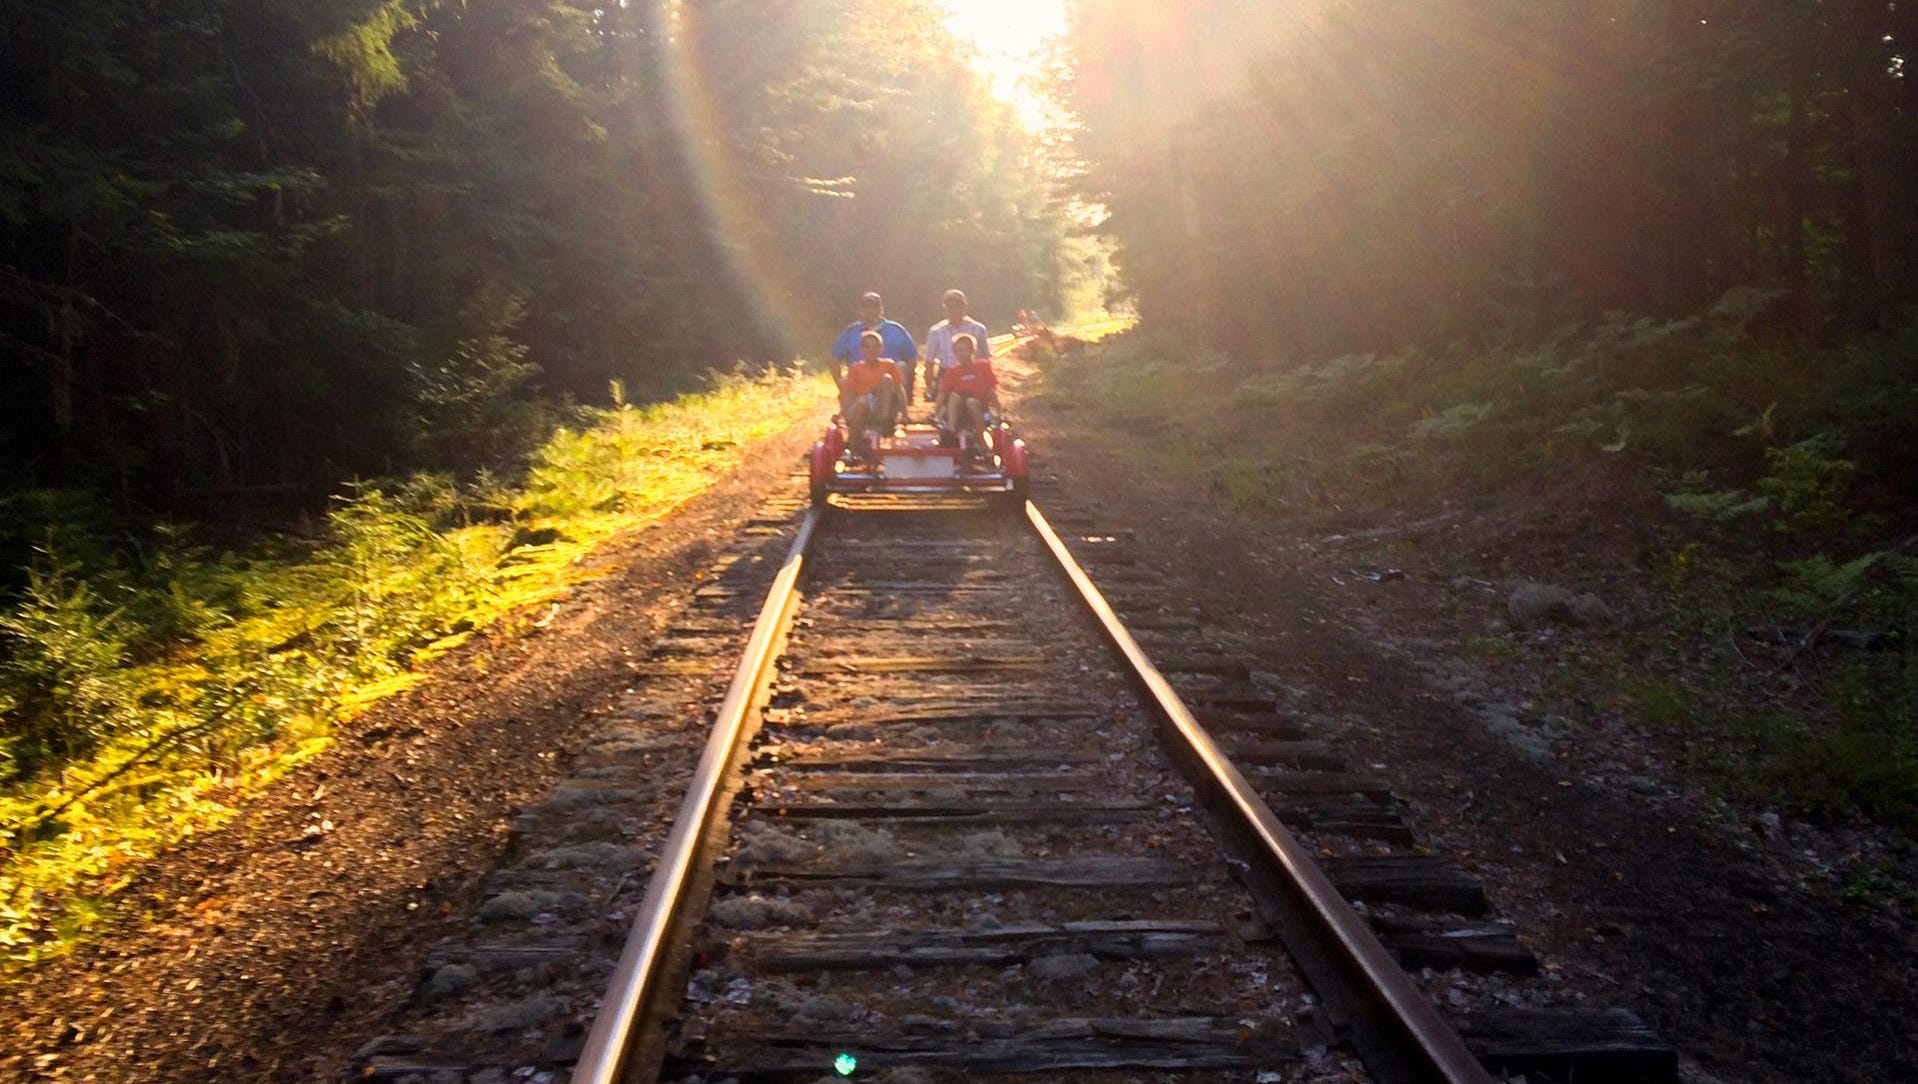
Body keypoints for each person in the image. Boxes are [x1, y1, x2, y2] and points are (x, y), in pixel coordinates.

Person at [831, 292, 921, 403]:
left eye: (874, 306)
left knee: (901, 366)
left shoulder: (896, 329)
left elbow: (912, 357)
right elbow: (835, 359)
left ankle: (895, 402)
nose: (870, 310)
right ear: (860, 310)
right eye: (866, 306)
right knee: (845, 380)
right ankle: (851, 412)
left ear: (881, 309)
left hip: (888, 380)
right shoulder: (850, 332)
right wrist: (841, 384)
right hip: (860, 378)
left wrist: (904, 381)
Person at [935, 333, 1001, 460]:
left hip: (979, 408)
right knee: (954, 395)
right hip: (958, 411)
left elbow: (992, 391)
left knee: (971, 402)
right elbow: (942, 395)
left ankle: (982, 442)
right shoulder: (952, 371)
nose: (962, 353)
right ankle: (952, 432)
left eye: (965, 350)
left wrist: (999, 412)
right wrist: (936, 414)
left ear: (972, 351)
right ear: (954, 353)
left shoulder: (983, 366)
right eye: (958, 350)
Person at [839, 329, 904, 459]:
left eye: (875, 346)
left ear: (881, 349)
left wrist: (905, 413)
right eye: (867, 347)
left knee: (886, 379)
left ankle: (885, 422)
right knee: (862, 403)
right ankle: (854, 451)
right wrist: (844, 412)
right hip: (862, 405)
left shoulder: (888, 365)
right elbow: (849, 393)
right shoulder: (855, 368)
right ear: (861, 350)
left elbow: (899, 390)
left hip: (882, 405)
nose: (871, 350)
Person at [921, 288, 991, 401]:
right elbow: (929, 363)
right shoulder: (936, 331)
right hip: (947, 373)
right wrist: (930, 386)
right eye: (949, 307)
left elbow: (985, 359)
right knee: (944, 393)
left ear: (965, 308)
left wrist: (987, 384)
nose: (953, 310)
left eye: (957, 307)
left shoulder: (979, 329)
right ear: (945, 309)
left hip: (972, 372)